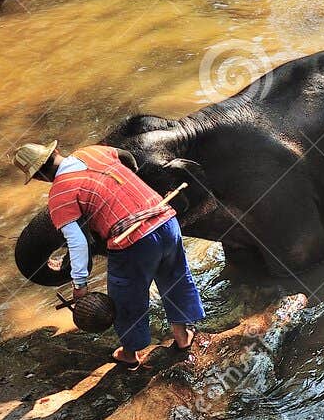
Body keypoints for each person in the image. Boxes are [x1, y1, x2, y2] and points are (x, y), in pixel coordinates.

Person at [11, 141, 204, 369]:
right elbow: (127, 157)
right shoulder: (94, 151)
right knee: (176, 278)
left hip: (132, 240)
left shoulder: (59, 195)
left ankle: (131, 353)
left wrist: (80, 284)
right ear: (55, 151)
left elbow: (78, 243)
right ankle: (182, 337)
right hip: (165, 218)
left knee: (127, 296)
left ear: (39, 177)